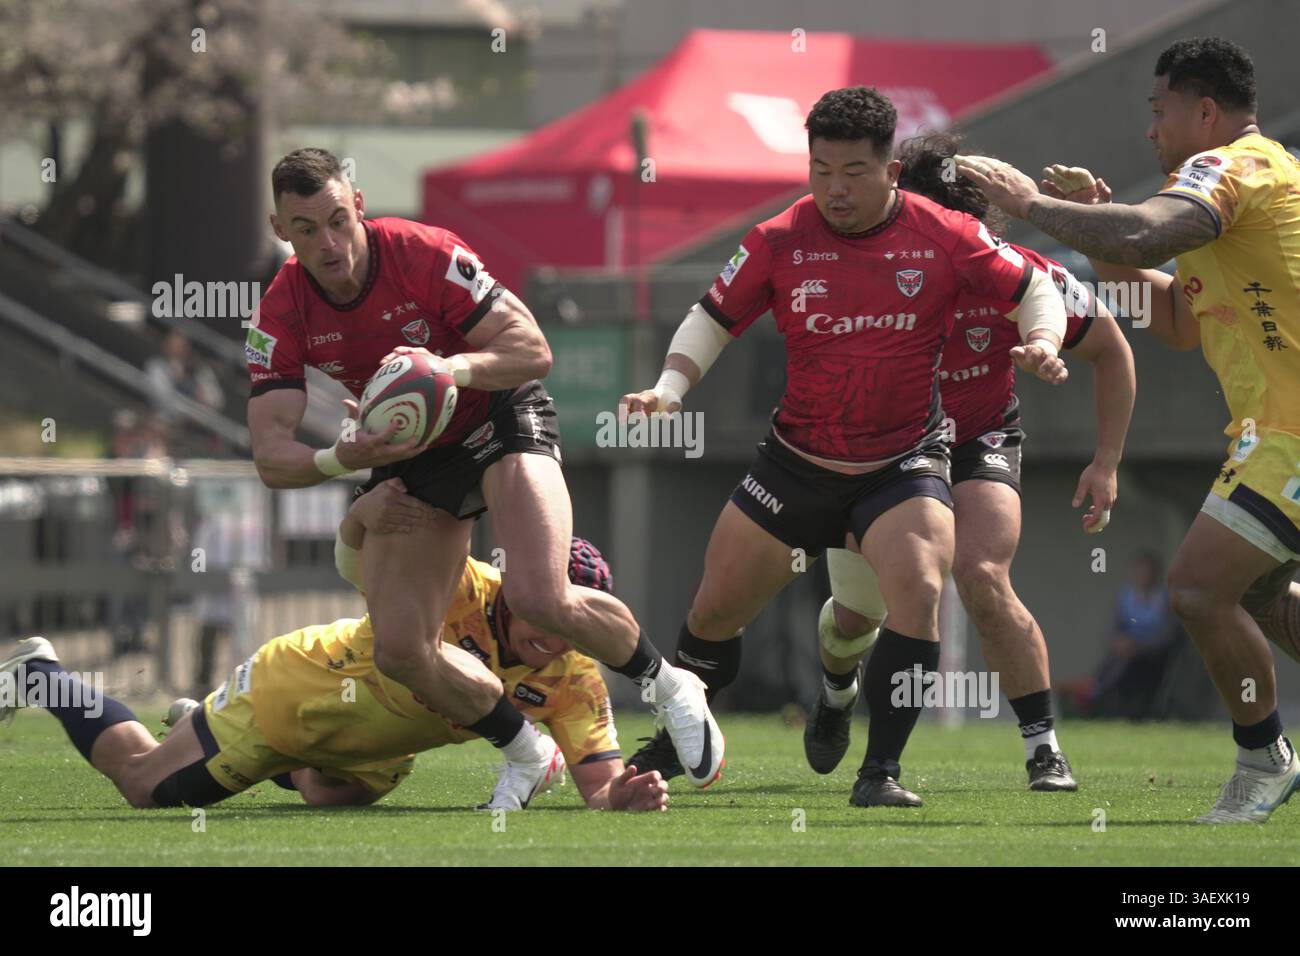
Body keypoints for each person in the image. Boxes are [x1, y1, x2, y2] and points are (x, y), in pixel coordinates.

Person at [620, 87, 1069, 808]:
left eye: (854, 171)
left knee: (920, 591)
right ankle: (676, 740)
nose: (835, 188)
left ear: (891, 168)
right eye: (821, 169)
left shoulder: (944, 233)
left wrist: (1042, 339)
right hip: (796, 464)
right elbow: (712, 317)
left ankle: (880, 772)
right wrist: (670, 389)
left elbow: (1034, 287)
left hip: (901, 465)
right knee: (713, 615)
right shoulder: (778, 239)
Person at [244, 148, 722, 798]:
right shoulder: (280, 309)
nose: (328, 243)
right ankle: (525, 750)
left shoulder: (424, 251)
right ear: (281, 231)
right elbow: (271, 454)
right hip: (412, 452)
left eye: (337, 220)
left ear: (358, 205)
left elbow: (533, 352)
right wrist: (340, 459)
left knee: (539, 596)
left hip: (496, 414)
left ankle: (672, 687)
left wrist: (448, 368)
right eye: (306, 230)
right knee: (401, 650)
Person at [957, 37, 1300, 822]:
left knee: (1194, 589)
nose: (1151, 130)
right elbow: (1174, 319)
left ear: (1203, 111)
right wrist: (1099, 238)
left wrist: (1031, 206)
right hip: (1272, 429)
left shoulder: (1228, 168)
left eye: (1159, 111)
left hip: (1291, 432)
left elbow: (1142, 233)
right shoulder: (1232, 193)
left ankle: (1264, 759)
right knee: (1255, 591)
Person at [801, 131, 1136, 792]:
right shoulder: (860, 276)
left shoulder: (1018, 271)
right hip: (883, 451)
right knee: (856, 618)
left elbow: (1113, 351)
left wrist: (1107, 462)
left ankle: (1044, 749)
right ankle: (838, 689)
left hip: (980, 438)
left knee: (982, 576)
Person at [0, 497, 669, 814]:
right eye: (544, 606)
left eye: (572, 622)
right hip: (300, 692)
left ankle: (198, 721)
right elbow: (356, 556)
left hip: (378, 749)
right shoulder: (460, 578)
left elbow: (597, 786)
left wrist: (622, 799)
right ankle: (40, 672)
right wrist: (362, 511)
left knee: (327, 796)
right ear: (522, 583)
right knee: (145, 785)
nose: (554, 633)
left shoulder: (576, 678)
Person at [1089, 551, 1179, 718]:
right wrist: (1119, 642)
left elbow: (1168, 634)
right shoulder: (1125, 597)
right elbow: (1114, 627)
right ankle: (1097, 697)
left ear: (1156, 574)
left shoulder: (1165, 600)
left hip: (1153, 655)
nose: (1143, 576)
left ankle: (1098, 700)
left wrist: (1140, 647)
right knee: (1113, 665)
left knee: (1125, 667)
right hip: (1125, 650)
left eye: (1147, 572)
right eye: (1140, 572)